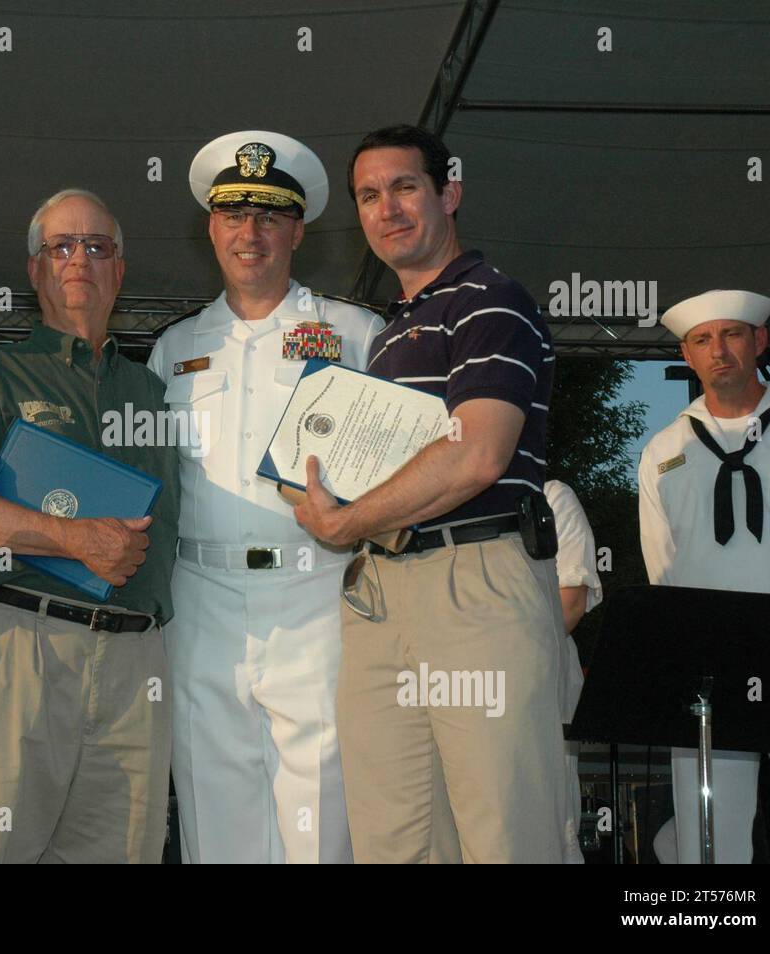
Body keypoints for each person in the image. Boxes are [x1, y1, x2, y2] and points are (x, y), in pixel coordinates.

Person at [292, 124, 566, 863]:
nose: (388, 209)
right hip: (383, 594)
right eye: (369, 196)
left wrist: (346, 519)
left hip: (476, 584)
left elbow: (477, 453)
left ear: (449, 192)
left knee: (506, 834)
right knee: (395, 842)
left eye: (405, 187)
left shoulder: (491, 298)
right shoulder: (387, 336)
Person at [146, 131, 380, 863]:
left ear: (298, 229)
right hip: (200, 600)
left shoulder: (353, 332)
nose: (251, 233)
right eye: (234, 214)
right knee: (215, 821)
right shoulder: (173, 346)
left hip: (315, 594)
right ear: (211, 227)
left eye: (271, 215)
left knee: (318, 816)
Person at [0, 189, 179, 863]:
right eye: (60, 246)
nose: (80, 260)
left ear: (119, 271)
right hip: (15, 645)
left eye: (98, 247)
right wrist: (76, 539)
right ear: (34, 270)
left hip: (135, 659)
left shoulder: (157, 394)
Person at [638, 288, 770, 864]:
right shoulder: (664, 450)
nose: (719, 351)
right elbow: (662, 565)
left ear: (760, 340)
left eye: (732, 334)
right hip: (707, 663)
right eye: (702, 340)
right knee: (711, 842)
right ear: (687, 356)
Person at [544, 478, 603, 864]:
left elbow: (571, 604)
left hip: (542, 676)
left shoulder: (551, 496)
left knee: (550, 813)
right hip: (447, 682)